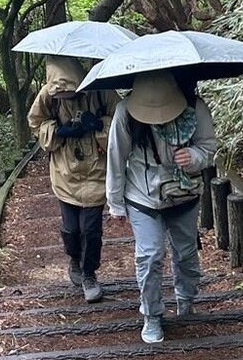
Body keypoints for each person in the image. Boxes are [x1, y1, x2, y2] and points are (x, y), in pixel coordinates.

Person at [105, 69, 218, 343]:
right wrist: (115, 204)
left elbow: (209, 146)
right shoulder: (125, 113)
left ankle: (186, 299)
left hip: (184, 194)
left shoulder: (194, 107)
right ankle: (152, 314)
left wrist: (194, 156)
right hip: (142, 197)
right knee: (151, 255)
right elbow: (116, 158)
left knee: (186, 252)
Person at [27, 55, 110, 303]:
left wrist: (97, 125)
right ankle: (74, 259)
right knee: (71, 229)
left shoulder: (99, 89)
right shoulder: (47, 95)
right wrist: (60, 131)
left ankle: (89, 273)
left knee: (91, 229)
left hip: (96, 170)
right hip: (64, 171)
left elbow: (120, 120)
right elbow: (36, 122)